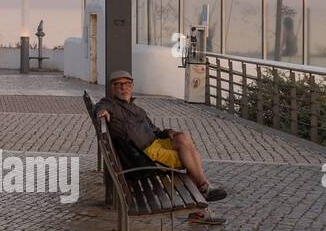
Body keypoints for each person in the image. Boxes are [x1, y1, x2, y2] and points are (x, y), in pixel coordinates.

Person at [95, 70, 228, 205]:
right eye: (118, 84)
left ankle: (202, 188)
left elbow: (155, 130)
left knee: (183, 137)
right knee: (190, 160)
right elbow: (100, 106)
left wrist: (169, 133)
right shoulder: (110, 104)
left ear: (132, 86)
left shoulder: (136, 108)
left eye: (127, 83)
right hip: (146, 155)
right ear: (112, 88)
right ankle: (202, 191)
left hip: (155, 142)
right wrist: (101, 111)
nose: (124, 87)